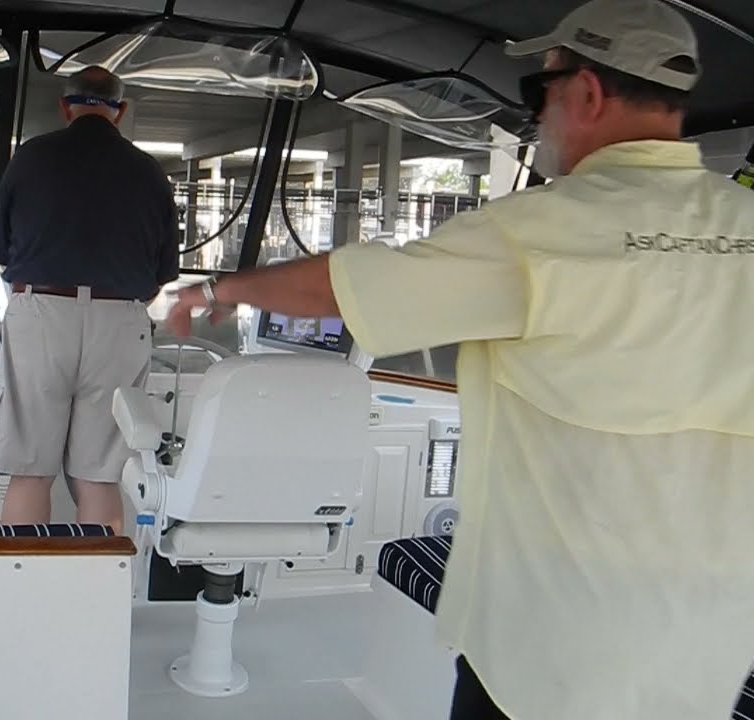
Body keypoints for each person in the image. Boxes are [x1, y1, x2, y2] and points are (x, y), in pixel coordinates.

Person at [165, 0, 754, 718]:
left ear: (587, 92)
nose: (539, 118)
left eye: (540, 93)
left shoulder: (546, 230)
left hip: (552, 648)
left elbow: (342, 288)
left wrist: (217, 287)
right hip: (706, 643)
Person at [0, 66, 180, 535]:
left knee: (30, 471)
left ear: (65, 106)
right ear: (121, 110)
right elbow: (162, 275)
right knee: (100, 476)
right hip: (120, 322)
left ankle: (25, 590)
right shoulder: (150, 172)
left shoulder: (29, 159)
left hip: (42, 314)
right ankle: (96, 601)